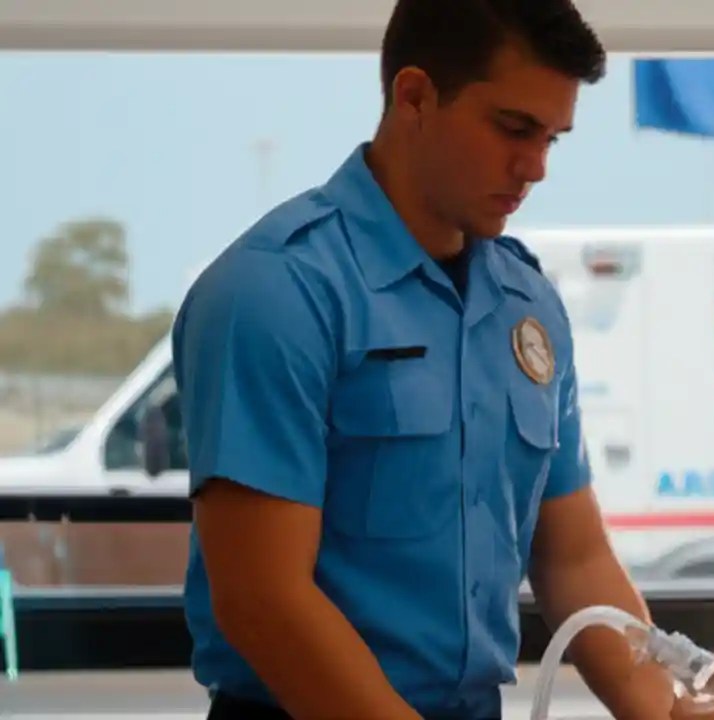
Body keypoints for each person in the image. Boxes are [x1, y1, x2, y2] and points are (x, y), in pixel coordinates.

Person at [172, 1, 676, 717]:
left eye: (552, 140)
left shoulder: (527, 305)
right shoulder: (277, 292)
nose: (534, 167)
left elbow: (575, 562)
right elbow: (264, 601)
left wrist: (673, 713)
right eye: (512, 128)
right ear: (414, 97)